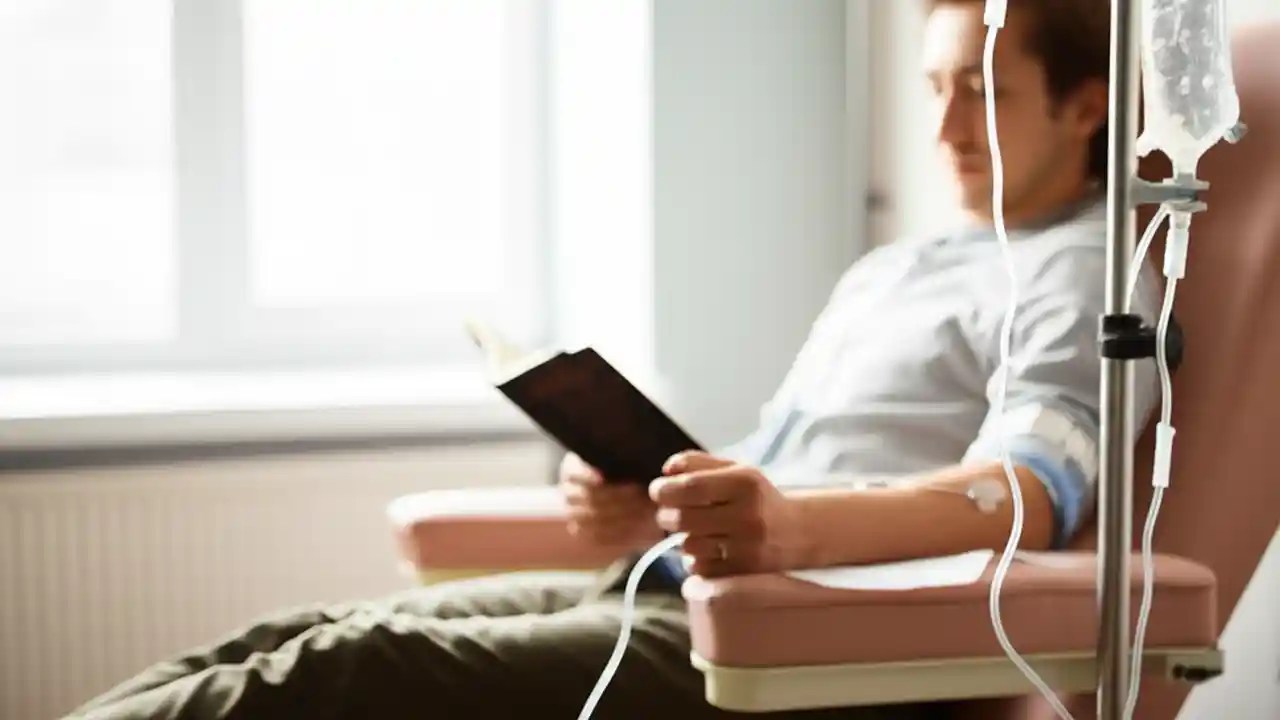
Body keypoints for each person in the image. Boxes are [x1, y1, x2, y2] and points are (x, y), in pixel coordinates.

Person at [72, 1, 1158, 718]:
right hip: (676, 591)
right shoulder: (900, 268)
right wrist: (663, 496)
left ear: (1083, 104)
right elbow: (803, 462)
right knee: (299, 635)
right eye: (933, 88)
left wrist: (786, 526)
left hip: (796, 655)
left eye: (982, 91)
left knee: (336, 676)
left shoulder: (1082, 272)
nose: (944, 126)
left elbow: (1030, 492)